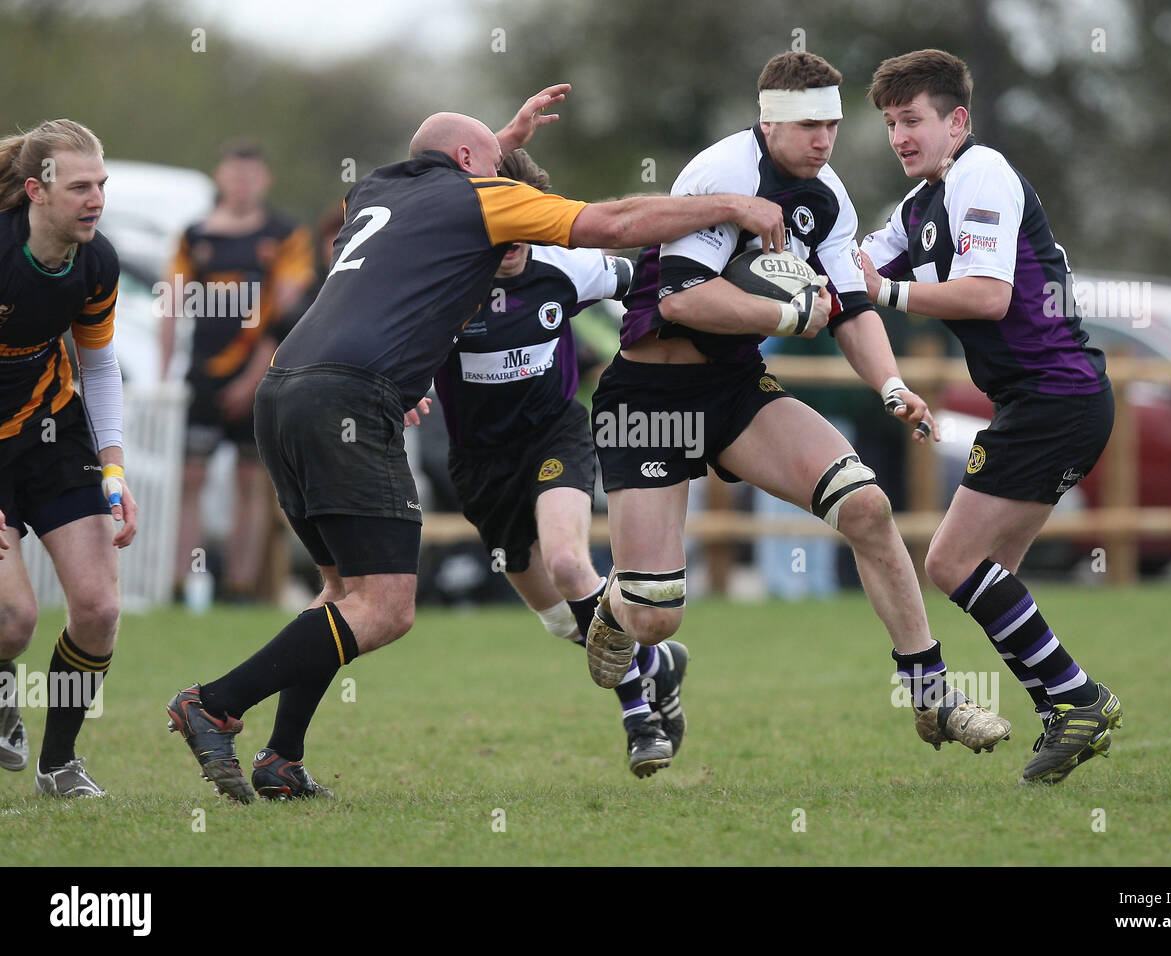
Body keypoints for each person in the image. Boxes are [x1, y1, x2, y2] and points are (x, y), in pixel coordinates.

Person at [165, 85, 787, 801]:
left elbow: (443, 171)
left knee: (341, 591)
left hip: (285, 390)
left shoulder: (377, 190)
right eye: (495, 162)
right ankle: (215, 703)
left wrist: (500, 138)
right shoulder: (482, 199)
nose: (503, 174)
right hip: (354, 396)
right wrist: (734, 206)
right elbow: (614, 221)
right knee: (387, 607)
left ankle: (282, 756)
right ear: (472, 164)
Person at [583, 52, 1012, 761]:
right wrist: (783, 316)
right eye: (810, 125)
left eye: (834, 126)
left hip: (734, 390)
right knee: (656, 618)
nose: (825, 140)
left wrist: (891, 385)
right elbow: (682, 297)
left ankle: (934, 695)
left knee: (867, 507)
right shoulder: (724, 174)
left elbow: (846, 306)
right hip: (650, 395)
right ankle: (613, 604)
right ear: (770, 121)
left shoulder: (829, 197)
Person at [860, 49, 1122, 784]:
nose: (900, 137)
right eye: (889, 123)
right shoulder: (919, 207)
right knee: (993, 574)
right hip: (1049, 402)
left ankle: (1078, 699)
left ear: (958, 121)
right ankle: (1069, 710)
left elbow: (985, 296)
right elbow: (856, 267)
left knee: (950, 562)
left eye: (913, 119)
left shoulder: (982, 174)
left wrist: (887, 293)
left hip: (1053, 399)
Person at [434, 148, 688, 778]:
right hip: (480, 465)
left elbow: (654, 282)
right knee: (559, 620)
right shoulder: (441, 283)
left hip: (555, 436)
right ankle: (658, 665)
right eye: (503, 224)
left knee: (572, 564)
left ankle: (638, 718)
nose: (516, 240)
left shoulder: (567, 269)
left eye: (530, 223)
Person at [0, 119, 139, 797]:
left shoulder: (96, 261)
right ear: (37, 190)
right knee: (13, 620)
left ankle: (59, 765)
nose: (96, 198)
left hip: (52, 432)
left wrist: (113, 467)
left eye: (102, 184)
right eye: (80, 186)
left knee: (98, 607)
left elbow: (100, 364)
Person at [160, 140, 314, 604]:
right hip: (204, 375)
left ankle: (239, 588)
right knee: (191, 477)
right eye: (234, 175)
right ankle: (183, 586)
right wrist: (165, 376)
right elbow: (169, 307)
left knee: (251, 479)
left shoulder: (286, 234)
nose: (242, 184)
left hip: (262, 377)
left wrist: (253, 378)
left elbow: (290, 310)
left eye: (251, 176)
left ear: (264, 180)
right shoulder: (194, 236)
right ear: (220, 177)